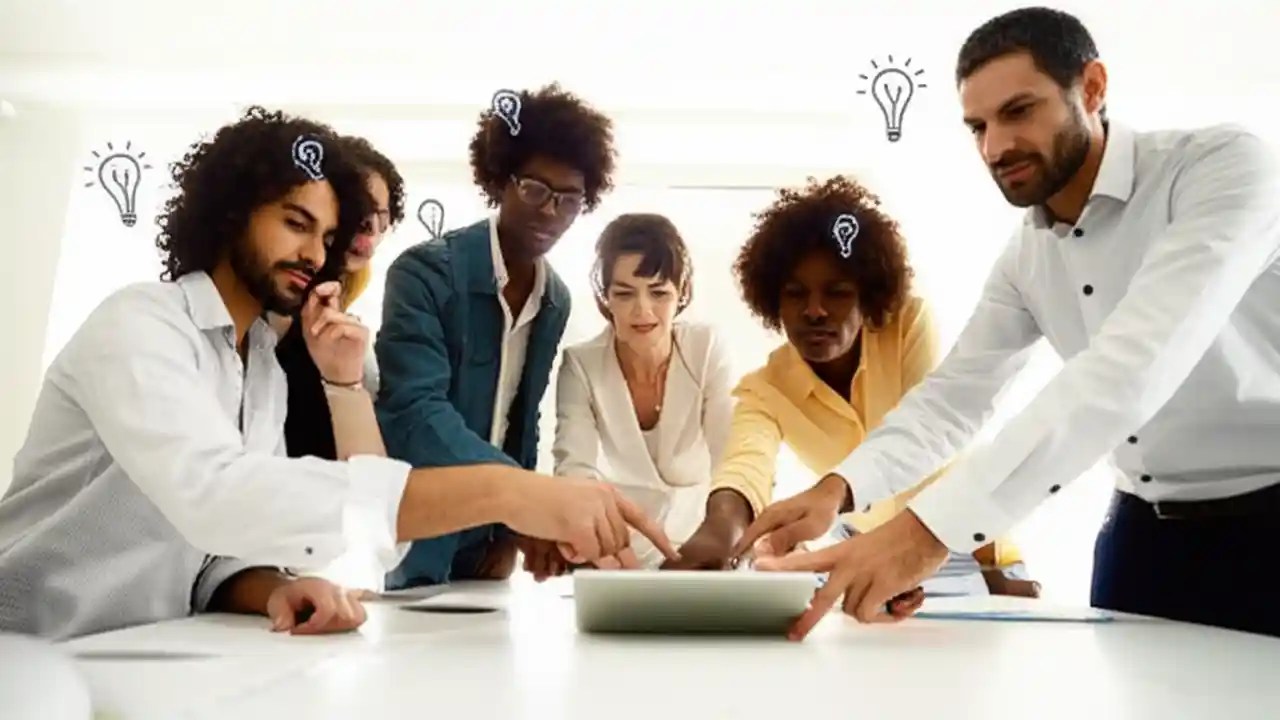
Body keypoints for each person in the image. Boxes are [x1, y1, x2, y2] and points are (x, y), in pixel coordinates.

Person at [0, 107, 672, 640]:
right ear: (233, 212)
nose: (314, 253)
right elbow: (213, 495)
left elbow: (213, 557)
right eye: (296, 224)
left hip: (141, 650)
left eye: (325, 237)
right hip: (30, 643)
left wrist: (273, 587)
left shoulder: (260, 366)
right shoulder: (140, 322)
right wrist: (510, 493)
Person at [748, 7, 1280, 641]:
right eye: (978, 126)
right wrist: (839, 489)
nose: (995, 148)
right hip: (1140, 537)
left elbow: (1130, 370)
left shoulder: (1221, 168)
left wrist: (926, 535)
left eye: (1018, 111)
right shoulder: (1026, 258)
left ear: (1092, 88)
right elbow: (952, 403)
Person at [661, 176, 1034, 599]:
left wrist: (987, 578)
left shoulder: (906, 325)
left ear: (868, 297)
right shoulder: (764, 390)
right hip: (869, 555)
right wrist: (719, 531)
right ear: (771, 302)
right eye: (795, 294)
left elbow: (926, 432)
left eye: (837, 293)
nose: (815, 310)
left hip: (969, 548)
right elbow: (746, 466)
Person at [374, 83, 621, 590]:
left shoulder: (555, 298)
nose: (551, 211)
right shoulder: (424, 273)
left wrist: (512, 531)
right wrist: (528, 500)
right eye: (534, 189)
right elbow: (415, 414)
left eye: (569, 199)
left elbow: (521, 419)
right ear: (499, 181)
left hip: (490, 553)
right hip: (417, 535)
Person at [549, 214, 734, 573]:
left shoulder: (706, 348)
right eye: (624, 293)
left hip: (704, 547)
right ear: (606, 298)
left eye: (659, 292)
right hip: (618, 551)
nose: (643, 310)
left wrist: (727, 538)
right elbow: (574, 470)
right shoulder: (581, 365)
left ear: (682, 293)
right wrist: (598, 545)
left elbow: (732, 456)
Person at [275, 135, 406, 463]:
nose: (370, 233)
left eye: (382, 221)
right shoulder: (279, 308)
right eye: (359, 214)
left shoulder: (346, 301)